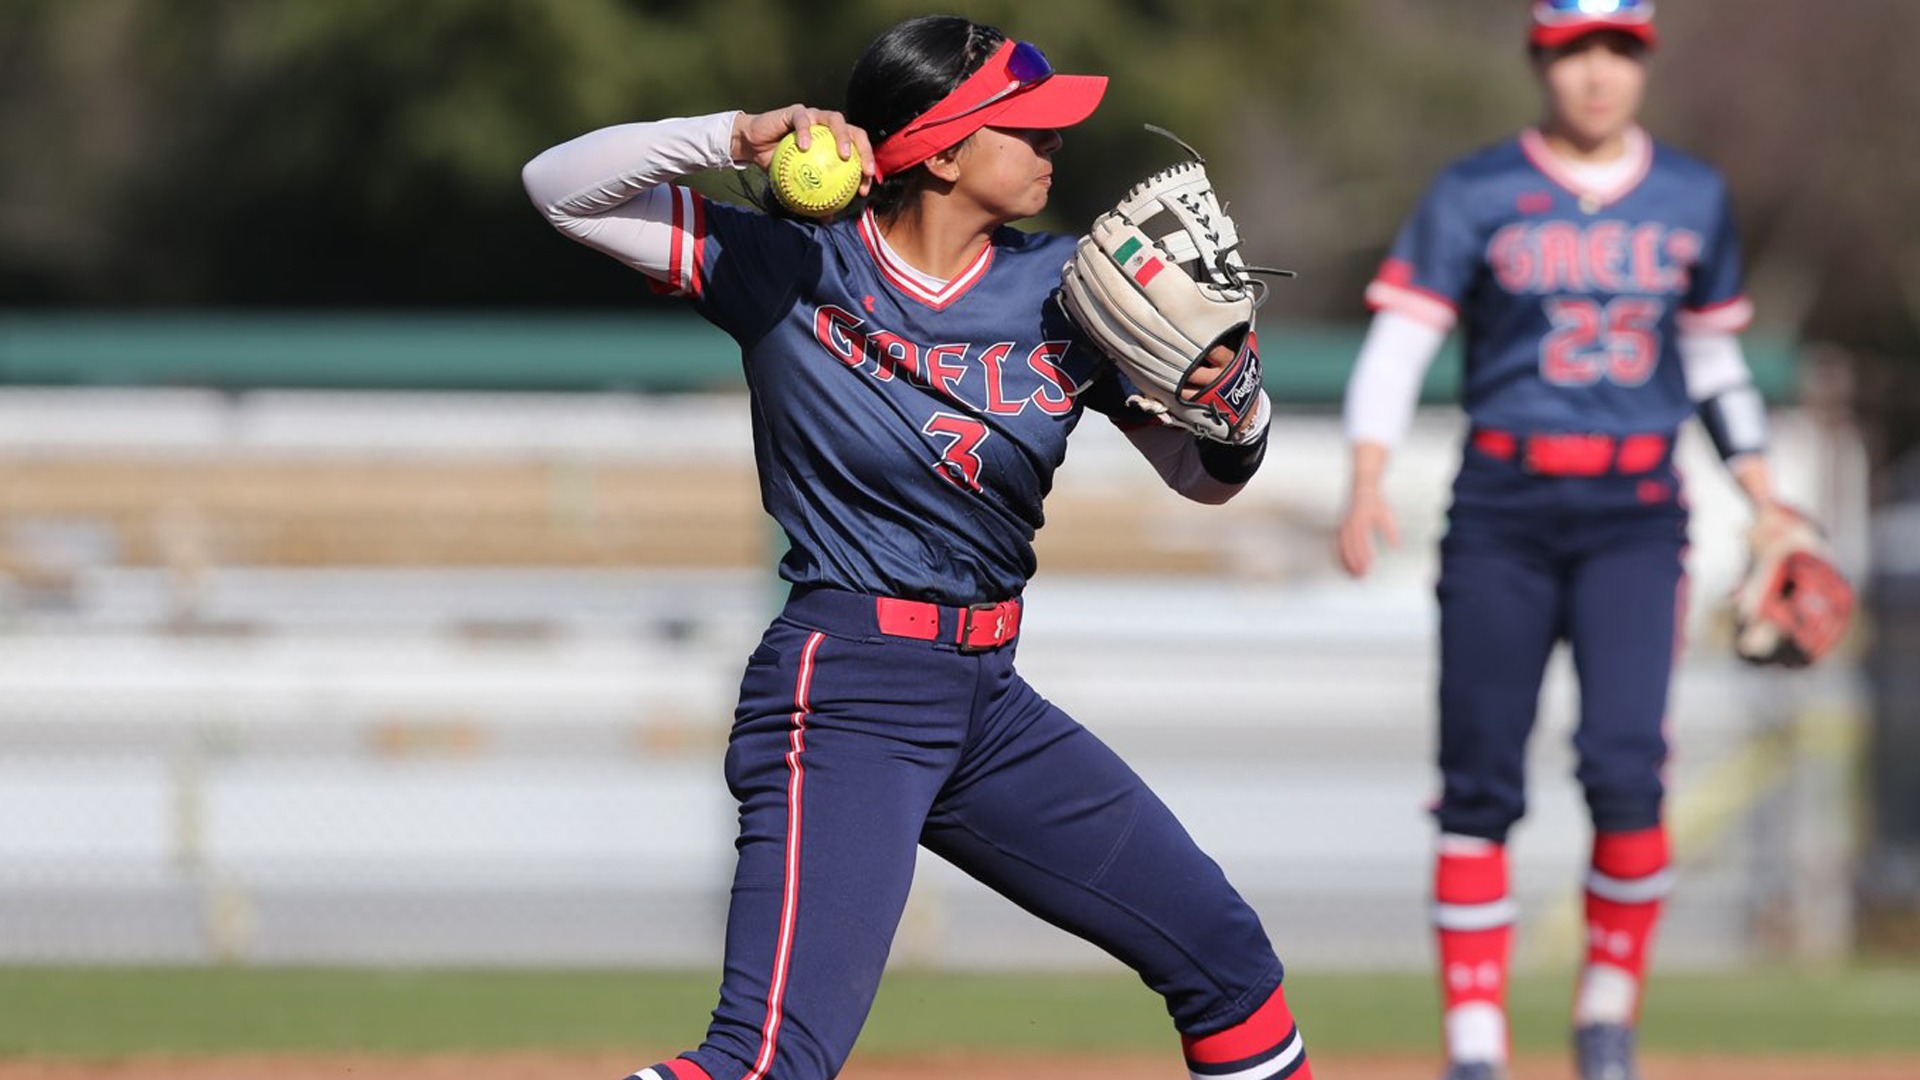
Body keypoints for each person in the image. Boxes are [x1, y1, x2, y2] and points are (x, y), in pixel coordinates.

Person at [523, 14, 1312, 1080]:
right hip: (846, 691)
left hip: (988, 702)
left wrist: (1238, 411)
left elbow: (1200, 476)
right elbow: (558, 185)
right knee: (771, 1060)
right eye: (1027, 126)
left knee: (1228, 965)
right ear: (942, 150)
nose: (1054, 144)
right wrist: (734, 135)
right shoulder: (789, 265)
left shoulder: (1073, 295)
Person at [1334, 3, 1788, 1079]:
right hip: (1505, 505)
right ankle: (1478, 1043)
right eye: (1577, 50)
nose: (1598, 74)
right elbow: (1403, 340)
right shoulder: (1477, 189)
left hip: (1637, 511)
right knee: (1480, 777)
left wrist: (1766, 494)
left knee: (1627, 770)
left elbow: (1717, 362)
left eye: (1620, 51)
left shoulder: (1691, 194)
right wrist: (1363, 475)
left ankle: (1607, 1016)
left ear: (1644, 64)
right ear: (1543, 60)